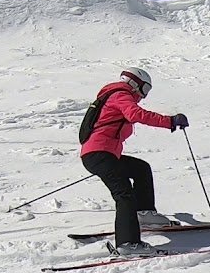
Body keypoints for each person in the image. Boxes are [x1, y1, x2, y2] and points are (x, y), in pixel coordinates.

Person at [80, 67, 190, 257]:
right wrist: (169, 121)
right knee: (124, 195)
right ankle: (127, 244)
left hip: (102, 154)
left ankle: (145, 214)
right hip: (100, 154)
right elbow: (136, 114)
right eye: (145, 88)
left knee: (140, 168)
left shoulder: (113, 95)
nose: (144, 95)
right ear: (134, 83)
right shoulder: (121, 95)